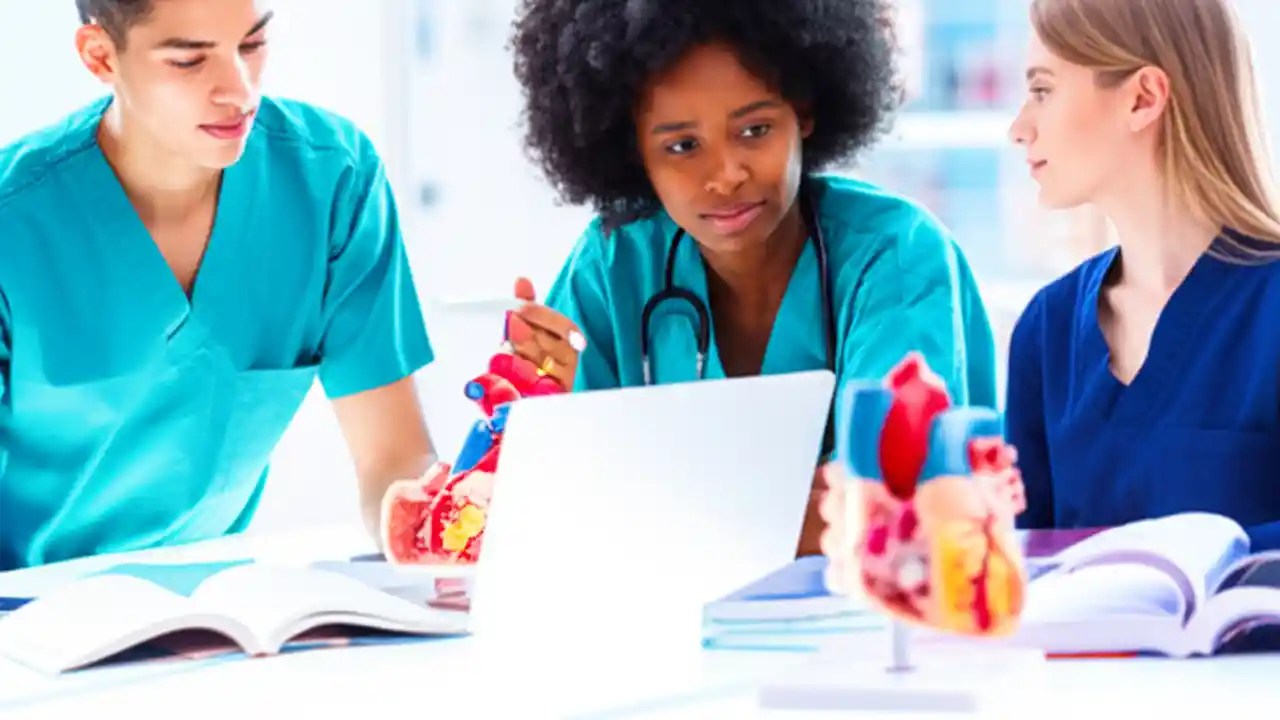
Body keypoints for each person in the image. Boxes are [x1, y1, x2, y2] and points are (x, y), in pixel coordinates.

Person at [503, 0, 999, 555]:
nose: (727, 174)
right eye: (682, 146)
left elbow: (891, 514)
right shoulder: (612, 267)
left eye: (755, 129)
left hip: (867, 629)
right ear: (633, 150)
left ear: (804, 112)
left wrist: (656, 503)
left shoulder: (898, 256)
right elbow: (561, 510)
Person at [0, 0, 438, 570]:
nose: (240, 91)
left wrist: (437, 526)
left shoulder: (333, 181)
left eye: (253, 46)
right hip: (25, 615)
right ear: (101, 55)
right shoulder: (17, 220)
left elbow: (394, 459)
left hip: (214, 612)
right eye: (188, 61)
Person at [1004, 0, 1280, 550]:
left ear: (1143, 98)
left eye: (1042, 91)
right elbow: (1026, 575)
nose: (1019, 128)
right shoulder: (1047, 330)